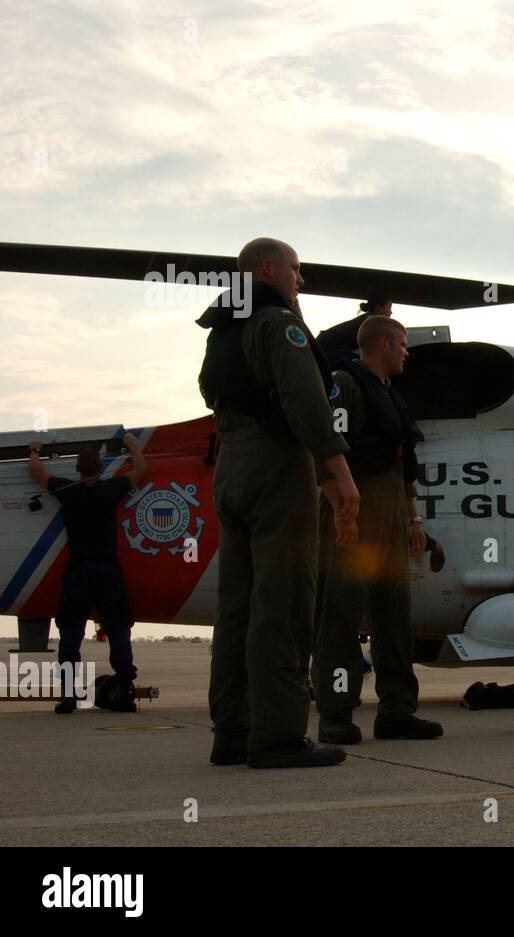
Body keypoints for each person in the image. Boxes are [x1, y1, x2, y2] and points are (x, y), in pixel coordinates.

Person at [196, 237, 361, 769]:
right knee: (285, 601)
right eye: (295, 269)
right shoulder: (277, 324)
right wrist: (336, 469)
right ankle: (279, 737)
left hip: (231, 465)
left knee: (238, 605)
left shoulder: (224, 327)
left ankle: (234, 731)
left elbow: (209, 391)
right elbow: (305, 398)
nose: (301, 280)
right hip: (276, 466)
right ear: (269, 269)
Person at [312, 315, 445, 744]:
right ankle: (335, 713)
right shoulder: (345, 384)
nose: (407, 352)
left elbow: (402, 463)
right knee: (341, 616)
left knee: (394, 616)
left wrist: (414, 521)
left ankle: (397, 711)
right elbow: (325, 451)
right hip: (355, 514)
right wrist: (340, 513)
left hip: (388, 515)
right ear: (383, 344)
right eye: (403, 344)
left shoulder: (389, 393)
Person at [27, 434, 147, 713]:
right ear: (100, 467)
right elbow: (141, 470)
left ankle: (69, 696)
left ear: (78, 469)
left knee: (70, 633)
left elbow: (36, 471)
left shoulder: (69, 491)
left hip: (78, 571)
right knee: (118, 628)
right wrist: (132, 446)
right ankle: (123, 684)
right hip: (107, 569)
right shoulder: (110, 490)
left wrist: (34, 449)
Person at [316, 293, 392, 367]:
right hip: (329, 345)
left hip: (325, 344)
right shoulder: (373, 323)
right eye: (389, 308)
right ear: (379, 308)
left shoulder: (367, 319)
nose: (391, 312)